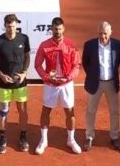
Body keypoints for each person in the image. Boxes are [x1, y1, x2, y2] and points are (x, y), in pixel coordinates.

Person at [34, 17, 82, 155]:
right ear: (51, 29)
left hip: (66, 84)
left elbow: (76, 65)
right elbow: (37, 65)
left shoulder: (70, 45)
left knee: (70, 112)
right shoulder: (44, 45)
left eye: (60, 29)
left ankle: (71, 140)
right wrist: (46, 77)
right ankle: (43, 140)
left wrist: (68, 77)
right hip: (50, 84)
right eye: (55, 29)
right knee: (46, 111)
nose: (57, 32)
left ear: (63, 29)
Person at [0, 14, 31, 154]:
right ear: (5, 26)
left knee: (23, 111)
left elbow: (27, 57)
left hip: (21, 83)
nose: (11, 29)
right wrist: (1, 75)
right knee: (3, 111)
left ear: (16, 25)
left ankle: (23, 137)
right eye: (9, 26)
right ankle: (2, 137)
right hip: (4, 83)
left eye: (13, 26)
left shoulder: (24, 38)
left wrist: (24, 73)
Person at [82, 21, 120, 151]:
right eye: (100, 33)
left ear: (110, 32)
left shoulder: (117, 44)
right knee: (90, 111)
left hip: (111, 82)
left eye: (105, 33)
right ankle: (89, 136)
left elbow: (118, 62)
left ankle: (114, 136)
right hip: (96, 82)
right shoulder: (89, 45)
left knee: (114, 111)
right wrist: (93, 75)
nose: (103, 36)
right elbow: (85, 63)